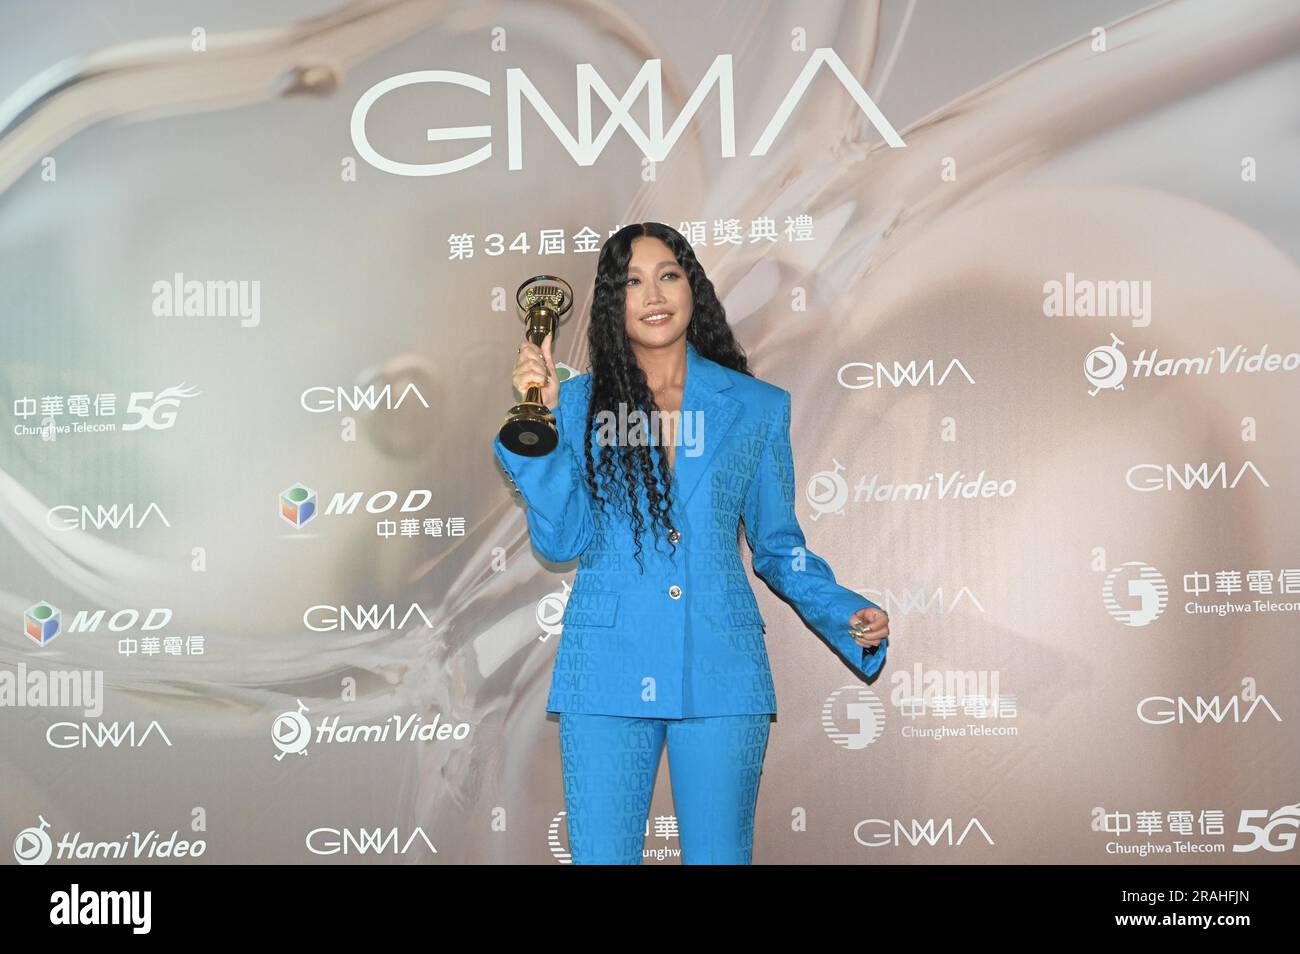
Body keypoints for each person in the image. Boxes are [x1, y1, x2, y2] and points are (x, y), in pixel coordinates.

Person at [493, 222, 891, 864]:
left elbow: (777, 545)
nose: (652, 294)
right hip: (608, 667)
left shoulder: (756, 408)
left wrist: (843, 610)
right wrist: (535, 417)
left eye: (668, 275)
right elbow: (563, 540)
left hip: (721, 666)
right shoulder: (574, 404)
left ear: (692, 288)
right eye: (631, 281)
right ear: (610, 303)